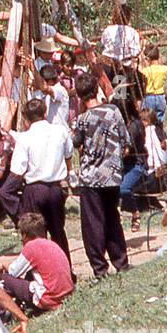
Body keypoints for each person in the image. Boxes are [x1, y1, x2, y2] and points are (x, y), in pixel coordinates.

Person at [0, 99, 74, 262]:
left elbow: (18, 170)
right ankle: (65, 268)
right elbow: (69, 156)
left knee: (35, 235)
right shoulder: (60, 131)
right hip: (55, 189)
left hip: (34, 189)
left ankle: (39, 269)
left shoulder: (25, 138)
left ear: (26, 118)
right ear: (44, 113)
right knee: (58, 232)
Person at [71, 72, 131, 278]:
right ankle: (121, 262)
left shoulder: (81, 120)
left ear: (79, 96)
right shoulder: (113, 111)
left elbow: (76, 143)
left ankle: (99, 268)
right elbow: (126, 142)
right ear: (97, 89)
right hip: (112, 175)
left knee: (93, 224)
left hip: (90, 177)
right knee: (112, 218)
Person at [0, 211, 74, 314]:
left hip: (49, 298)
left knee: (5, 279)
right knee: (31, 274)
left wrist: (5, 266)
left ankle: (6, 310)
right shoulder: (52, 244)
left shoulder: (31, 246)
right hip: (65, 295)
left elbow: (13, 272)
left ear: (24, 234)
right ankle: (19, 304)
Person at [141, 45, 167, 121]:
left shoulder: (145, 71)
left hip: (149, 97)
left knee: (148, 120)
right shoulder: (165, 69)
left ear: (148, 59)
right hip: (161, 97)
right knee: (159, 121)